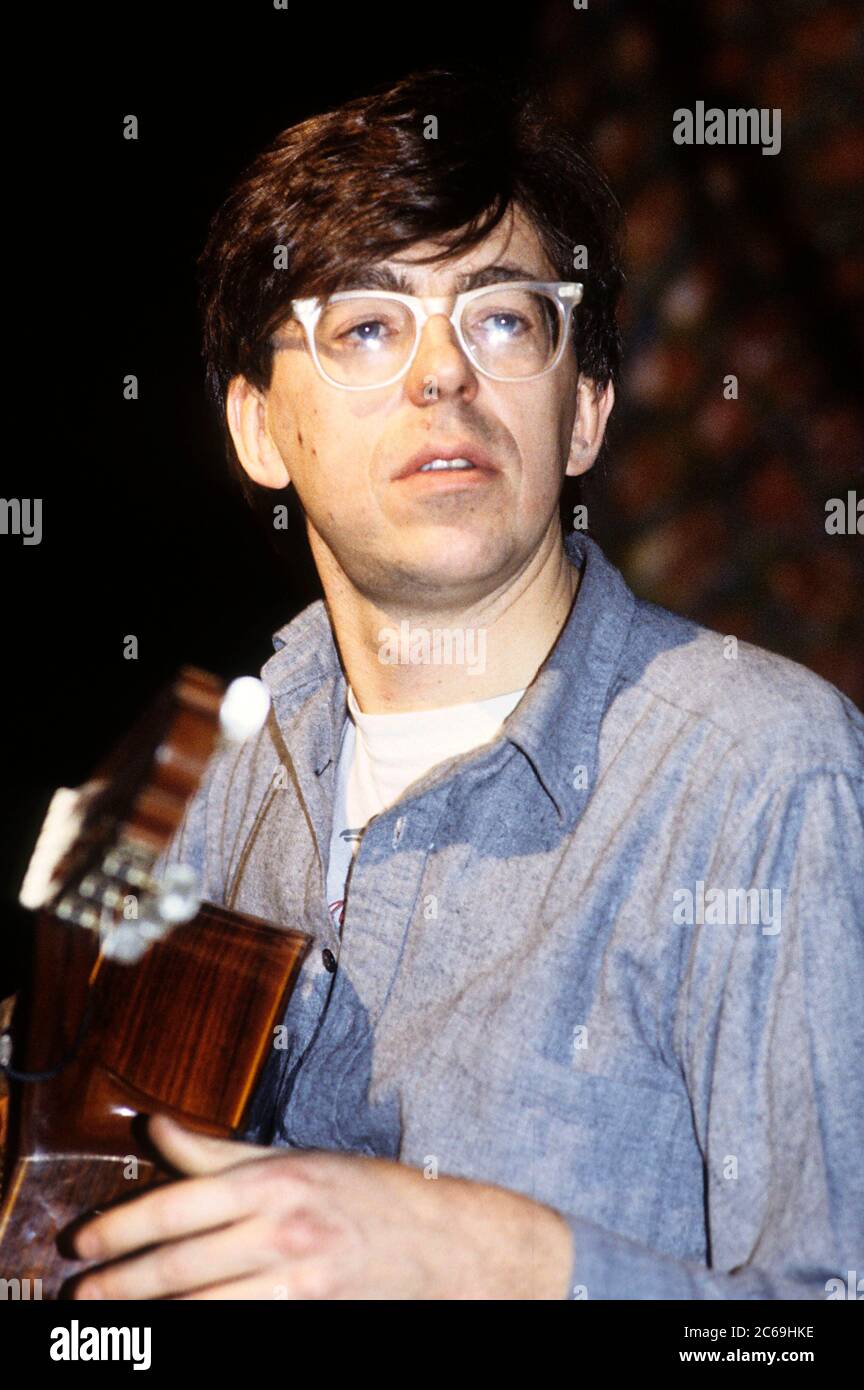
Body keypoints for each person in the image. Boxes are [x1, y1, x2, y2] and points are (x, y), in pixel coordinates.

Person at [72, 67, 863, 1301]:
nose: (444, 377)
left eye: (504, 319)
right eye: (368, 328)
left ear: (586, 412)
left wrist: (498, 1262)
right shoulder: (198, 787)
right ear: (258, 430)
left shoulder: (762, 774)